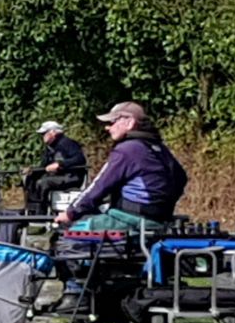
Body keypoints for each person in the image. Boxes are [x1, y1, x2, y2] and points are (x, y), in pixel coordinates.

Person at [51, 101, 188, 310]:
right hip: (157, 221)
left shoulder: (128, 149)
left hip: (130, 220)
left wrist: (70, 213)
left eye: (112, 122)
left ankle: (77, 295)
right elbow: (181, 178)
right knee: (95, 219)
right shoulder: (158, 148)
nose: (108, 127)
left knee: (66, 237)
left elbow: (99, 186)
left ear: (129, 122)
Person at [22, 121, 87, 215]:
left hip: (72, 177)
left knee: (43, 182)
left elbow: (80, 159)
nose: (42, 136)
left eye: (44, 133)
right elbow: (43, 167)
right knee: (31, 179)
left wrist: (60, 164)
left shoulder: (67, 143)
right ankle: (31, 210)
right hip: (58, 177)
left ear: (53, 132)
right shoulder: (49, 148)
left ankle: (41, 213)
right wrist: (31, 170)